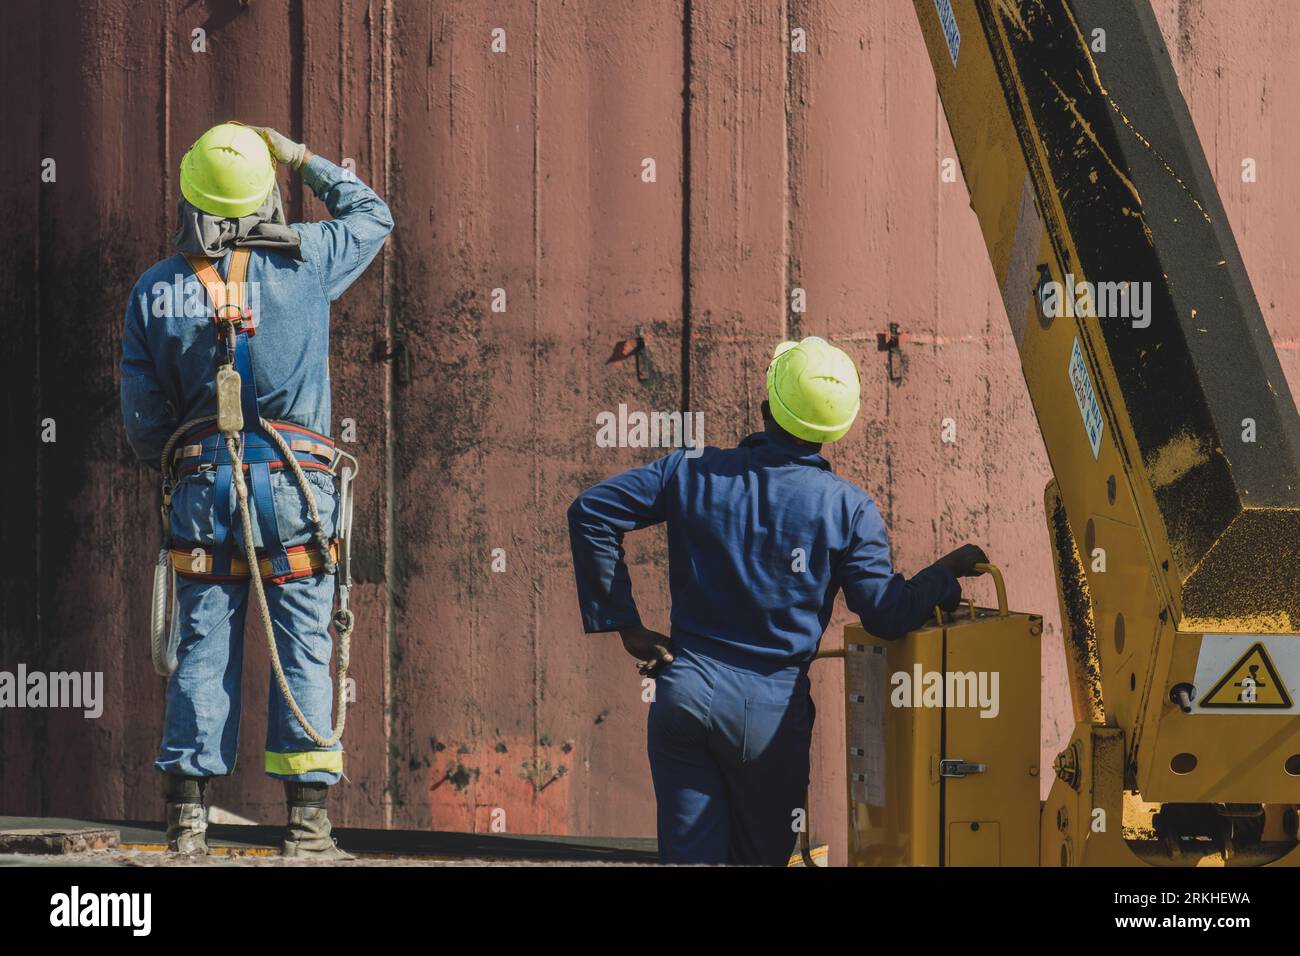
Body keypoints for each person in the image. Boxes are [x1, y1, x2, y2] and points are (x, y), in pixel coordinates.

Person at [567, 336, 988, 865]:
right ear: (840, 427)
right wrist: (942, 578)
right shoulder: (850, 510)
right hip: (770, 717)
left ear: (766, 410)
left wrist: (626, 626)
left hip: (685, 694)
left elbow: (591, 512)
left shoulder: (690, 471)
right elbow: (886, 614)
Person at [120, 122, 393, 857]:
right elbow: (373, 215)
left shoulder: (155, 290)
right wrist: (302, 158)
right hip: (299, 494)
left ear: (190, 198)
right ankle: (307, 829)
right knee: (304, 641)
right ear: (266, 195)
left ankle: (186, 827)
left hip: (204, 492)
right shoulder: (309, 257)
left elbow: (145, 430)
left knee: (202, 643)